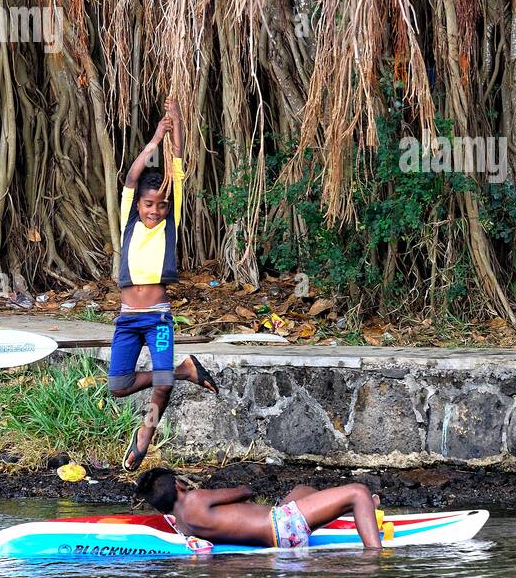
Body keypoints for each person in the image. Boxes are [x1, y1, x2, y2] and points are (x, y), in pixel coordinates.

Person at [110, 98, 220, 470]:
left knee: (161, 381)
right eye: (148, 204)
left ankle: (146, 433)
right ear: (137, 206)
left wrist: (178, 126)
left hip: (158, 319)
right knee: (119, 385)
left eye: (160, 204)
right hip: (127, 320)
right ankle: (187, 368)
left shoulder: (169, 222)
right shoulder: (129, 221)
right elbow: (131, 178)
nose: (155, 210)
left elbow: (178, 167)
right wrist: (156, 138)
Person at [134, 468, 384, 549]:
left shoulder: (182, 524)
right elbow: (244, 492)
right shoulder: (194, 498)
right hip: (283, 524)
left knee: (301, 491)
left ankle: (359, 511)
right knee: (358, 490)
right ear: (178, 484)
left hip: (277, 538)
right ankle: (374, 556)